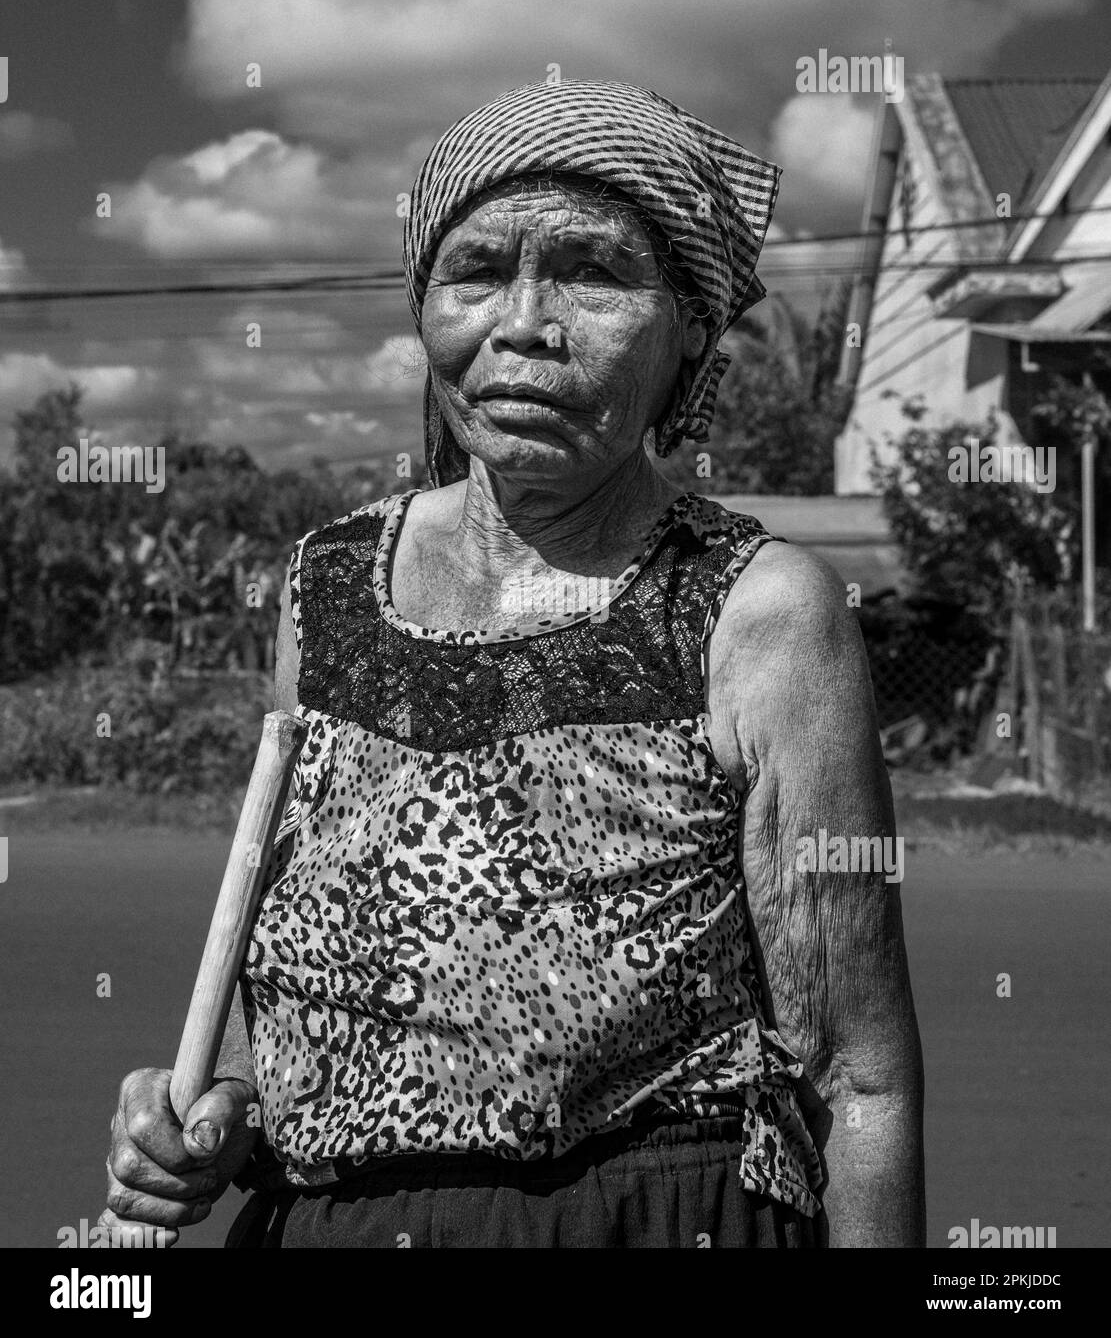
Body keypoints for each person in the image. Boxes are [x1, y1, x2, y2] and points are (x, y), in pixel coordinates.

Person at [102, 79, 924, 1248]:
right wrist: (216, 1115)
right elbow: (266, 970)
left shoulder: (756, 609)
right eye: (478, 270)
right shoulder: (329, 583)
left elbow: (859, 1077)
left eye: (593, 272)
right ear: (425, 306)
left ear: (688, 324)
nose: (526, 322)